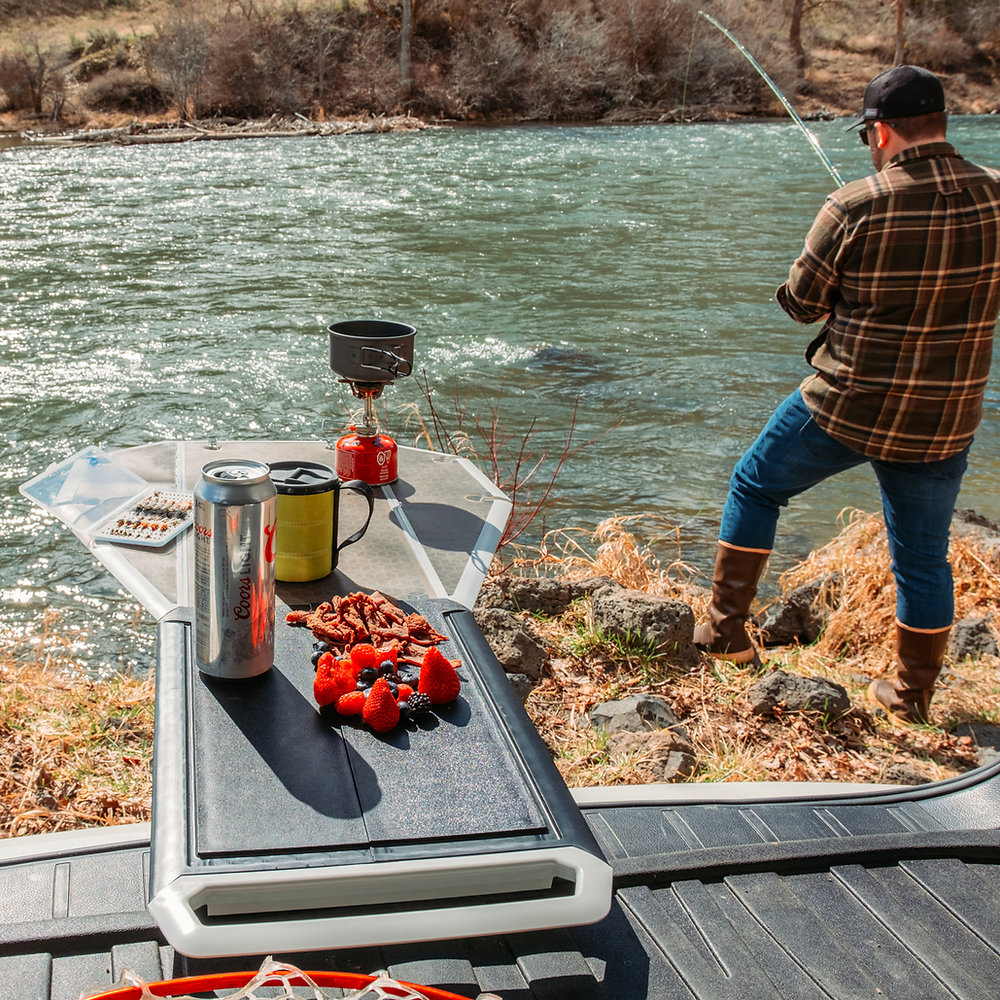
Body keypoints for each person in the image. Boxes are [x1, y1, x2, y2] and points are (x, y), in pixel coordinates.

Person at [693, 65, 1000, 725]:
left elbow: (800, 305)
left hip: (845, 406)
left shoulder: (854, 205)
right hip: (944, 418)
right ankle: (911, 695)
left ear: (881, 131)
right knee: (922, 553)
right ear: (943, 123)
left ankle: (724, 634)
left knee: (754, 485)